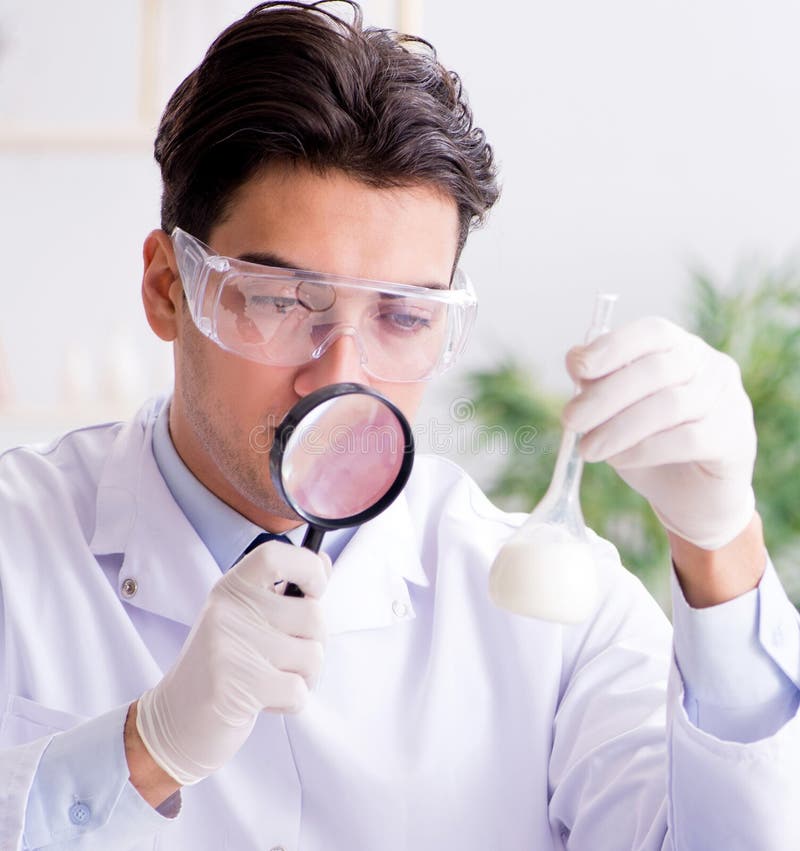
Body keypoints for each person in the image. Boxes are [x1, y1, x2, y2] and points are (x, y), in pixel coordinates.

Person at [1, 2, 798, 848]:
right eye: (282, 300)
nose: (339, 375)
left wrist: (719, 551)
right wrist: (141, 751)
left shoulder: (555, 612)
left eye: (402, 317)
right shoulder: (17, 548)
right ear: (170, 289)